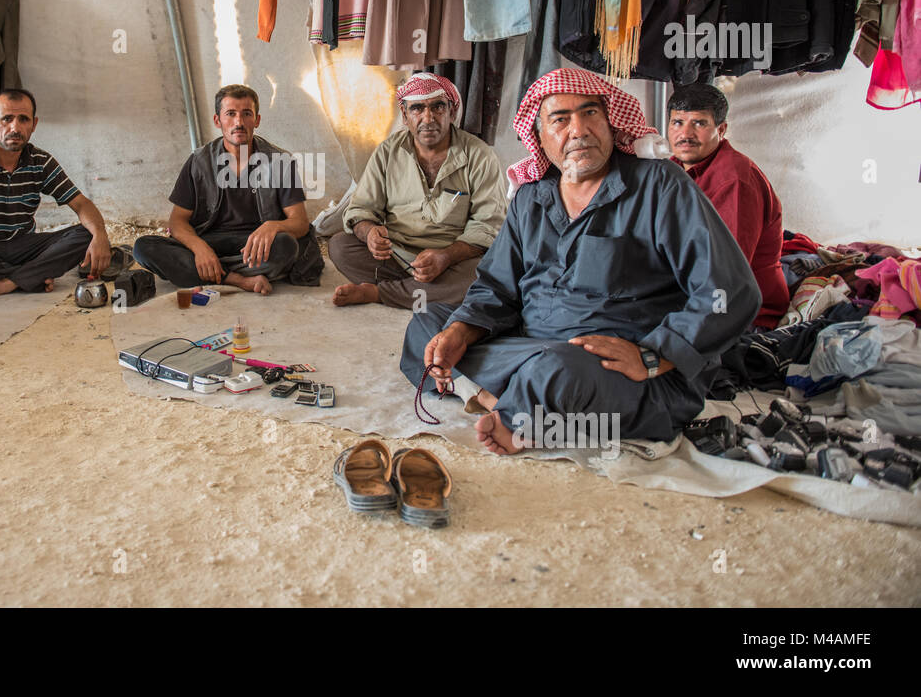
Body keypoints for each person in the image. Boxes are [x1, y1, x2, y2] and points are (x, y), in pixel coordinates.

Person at [401, 68, 761, 454]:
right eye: (560, 119)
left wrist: (655, 355)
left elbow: (730, 291)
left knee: (559, 371)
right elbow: (496, 288)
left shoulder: (660, 185)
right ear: (539, 136)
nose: (579, 130)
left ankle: (515, 405)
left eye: (590, 114)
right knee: (431, 327)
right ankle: (507, 403)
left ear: (611, 122)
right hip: (533, 349)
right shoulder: (531, 198)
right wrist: (462, 331)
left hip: (622, 373)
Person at [331, 72, 508, 309]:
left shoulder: (480, 155)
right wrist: (370, 233)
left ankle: (380, 293)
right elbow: (362, 208)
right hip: (396, 254)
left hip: (455, 257)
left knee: (488, 273)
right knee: (341, 246)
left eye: (438, 107)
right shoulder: (388, 152)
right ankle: (426, 290)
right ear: (405, 116)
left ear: (452, 112)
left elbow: (489, 226)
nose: (428, 118)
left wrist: (445, 257)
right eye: (417, 109)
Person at [132, 84, 323, 295]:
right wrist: (200, 249)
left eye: (246, 114)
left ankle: (205, 271)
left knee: (285, 246)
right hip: (210, 240)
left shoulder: (280, 161)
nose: (239, 122)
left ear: (257, 120)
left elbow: (300, 223)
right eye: (230, 114)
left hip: (254, 246)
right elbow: (178, 221)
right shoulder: (199, 161)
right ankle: (239, 279)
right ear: (217, 120)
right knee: (143, 247)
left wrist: (273, 226)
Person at [0, 89, 111, 302]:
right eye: (6, 119)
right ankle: (33, 275)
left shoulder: (40, 161)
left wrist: (100, 235)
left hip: (24, 244)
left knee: (86, 234)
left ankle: (9, 283)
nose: (15, 128)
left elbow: (81, 204)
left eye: (23, 119)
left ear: (34, 124)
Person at [668, 83, 789, 330]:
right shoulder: (674, 168)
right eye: (677, 123)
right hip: (698, 289)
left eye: (699, 123)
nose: (685, 134)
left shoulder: (734, 179)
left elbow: (727, 270)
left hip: (743, 311)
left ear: (721, 129)